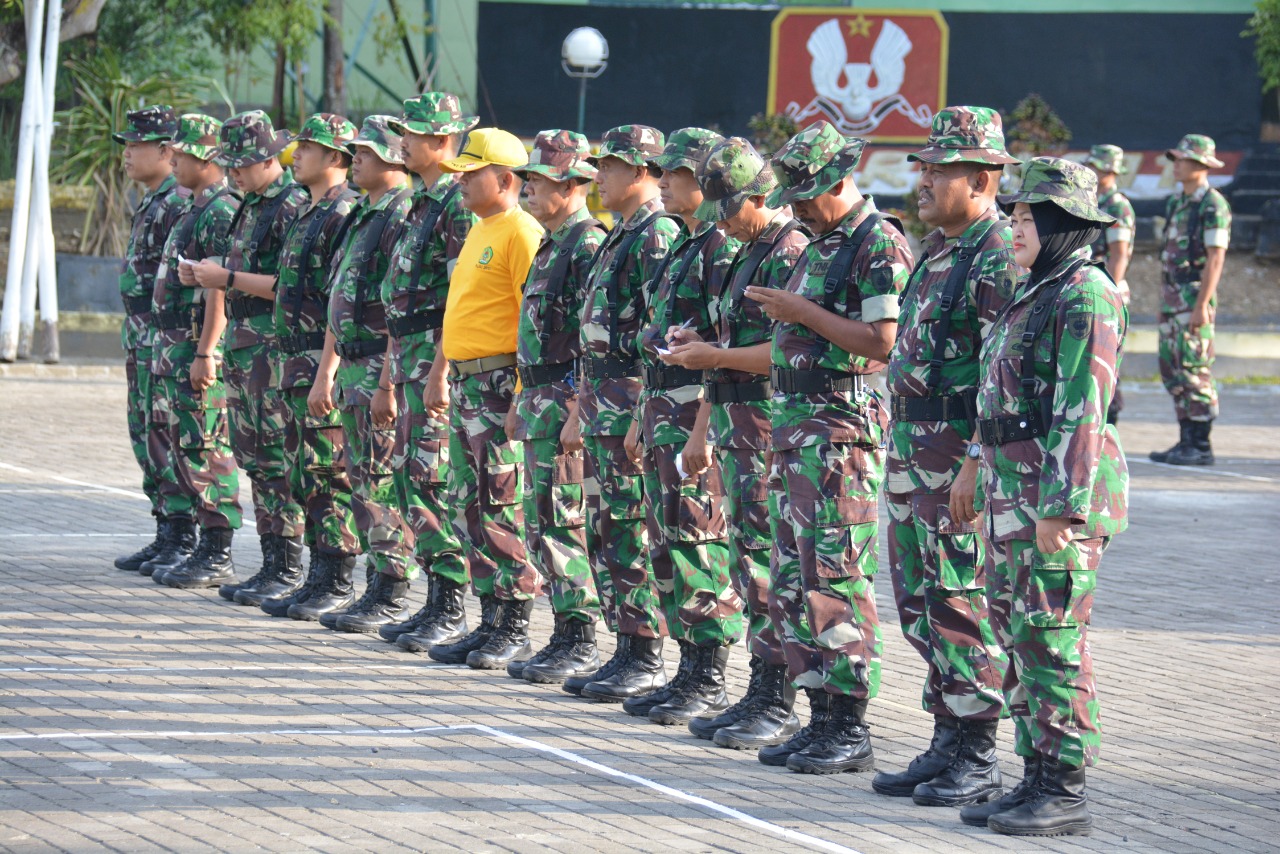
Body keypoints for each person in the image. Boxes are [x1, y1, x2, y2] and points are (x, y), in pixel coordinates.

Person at [961, 156, 1128, 837]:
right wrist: (978, 466)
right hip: (1013, 493)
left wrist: (1061, 510)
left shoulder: (1084, 294)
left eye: (1031, 217)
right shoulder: (1036, 289)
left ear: (1065, 224)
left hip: (1053, 501)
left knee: (1053, 639)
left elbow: (1081, 410)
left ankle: (1063, 786)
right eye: (1017, 216)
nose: (1016, 227)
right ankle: (1033, 773)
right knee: (1017, 634)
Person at [746, 120, 912, 775]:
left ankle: (849, 722)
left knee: (837, 579)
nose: (799, 208)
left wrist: (800, 312)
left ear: (842, 180)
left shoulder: (878, 243)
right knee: (793, 580)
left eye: (807, 195)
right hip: (796, 434)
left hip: (840, 436)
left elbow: (882, 342)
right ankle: (818, 713)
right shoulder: (819, 243)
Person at [871, 106, 1017, 807]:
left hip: (956, 456)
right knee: (920, 603)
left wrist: (976, 461)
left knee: (960, 601)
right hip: (912, 453)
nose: (922, 180)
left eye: (939, 170)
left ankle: (978, 752)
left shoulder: (996, 255)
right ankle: (946, 738)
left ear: (982, 179)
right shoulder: (938, 249)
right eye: (923, 167)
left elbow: (1001, 370)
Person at [667, 136, 810, 750]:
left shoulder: (788, 251)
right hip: (736, 425)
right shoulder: (750, 251)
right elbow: (732, 345)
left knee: (771, 565)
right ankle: (759, 687)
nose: (720, 222)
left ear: (759, 196)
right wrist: (701, 346)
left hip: (768, 427)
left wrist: (716, 355)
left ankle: (777, 697)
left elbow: (786, 352)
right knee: (746, 560)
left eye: (728, 209)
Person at [625, 128, 742, 726]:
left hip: (696, 412)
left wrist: (703, 429)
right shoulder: (686, 245)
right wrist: (641, 416)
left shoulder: (721, 247)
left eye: (678, 174)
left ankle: (710, 676)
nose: (664, 182)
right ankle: (687, 669)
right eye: (663, 172)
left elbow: (723, 347)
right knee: (667, 542)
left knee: (699, 540)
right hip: (661, 411)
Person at [425, 128, 547, 670]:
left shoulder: (521, 232)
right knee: (467, 503)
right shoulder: (480, 229)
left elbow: (531, 321)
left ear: (504, 180)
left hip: (499, 385)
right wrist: (441, 371)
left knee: (501, 502)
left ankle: (515, 624)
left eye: (470, 175)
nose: (461, 183)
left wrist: (521, 393)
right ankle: (490, 618)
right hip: (467, 383)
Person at [569, 126, 681, 703]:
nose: (598, 176)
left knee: (631, 528)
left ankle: (646, 652)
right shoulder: (621, 232)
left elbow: (659, 333)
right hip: (601, 403)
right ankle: (626, 645)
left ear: (641, 171)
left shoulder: (657, 234)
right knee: (606, 527)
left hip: (628, 402)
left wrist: (641, 413)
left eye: (609, 166)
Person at [299, 116, 415, 626]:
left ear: (392, 157)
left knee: (382, 480)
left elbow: (398, 309)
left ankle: (390, 588)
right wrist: (326, 371)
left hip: (376, 365)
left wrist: (387, 381)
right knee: (361, 479)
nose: (356, 159)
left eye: (366, 151)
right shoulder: (364, 215)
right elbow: (338, 301)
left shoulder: (401, 214)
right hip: (351, 366)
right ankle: (372, 583)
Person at [190, 111, 309, 602]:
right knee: (255, 457)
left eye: (241, 163)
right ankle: (271, 561)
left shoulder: (290, 206)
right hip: (244, 345)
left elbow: (289, 285)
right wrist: (212, 273)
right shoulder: (251, 204)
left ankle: (289, 565)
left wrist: (228, 279)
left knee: (278, 455)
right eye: (230, 164)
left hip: (271, 345)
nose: (234, 172)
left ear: (267, 159)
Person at [502, 129, 608, 684]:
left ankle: (581, 637)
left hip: (565, 402)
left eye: (539, 181)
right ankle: (564, 631)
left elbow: (594, 342)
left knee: (566, 522)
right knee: (542, 519)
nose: (528, 190)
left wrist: (578, 412)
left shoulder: (587, 246)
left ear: (570, 186)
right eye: (528, 180)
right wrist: (521, 397)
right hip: (540, 400)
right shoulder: (552, 244)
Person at [373, 93, 478, 649]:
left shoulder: (456, 205)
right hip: (408, 360)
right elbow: (400, 301)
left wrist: (440, 370)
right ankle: (435, 599)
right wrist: (390, 378)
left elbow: (459, 300)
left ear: (441, 140)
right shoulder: (422, 203)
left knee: (433, 477)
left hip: (434, 361)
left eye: (412, 134)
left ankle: (451, 604)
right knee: (411, 476)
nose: (403, 143)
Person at [254, 113, 362, 614]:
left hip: (320, 360)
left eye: (306, 148)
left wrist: (327, 371)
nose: (294, 155)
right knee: (303, 472)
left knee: (328, 472)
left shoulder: (343, 213)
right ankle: (318, 573)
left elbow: (340, 301)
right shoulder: (308, 211)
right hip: (293, 361)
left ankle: (337, 578)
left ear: (334, 157)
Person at [145, 113, 243, 588]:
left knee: (206, 446)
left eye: (181, 155)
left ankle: (217, 549)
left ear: (205, 159)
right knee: (183, 445)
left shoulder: (221, 210)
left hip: (193, 348)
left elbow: (219, 290)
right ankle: (194, 542)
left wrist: (207, 351)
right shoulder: (195, 206)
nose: (173, 162)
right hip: (174, 347)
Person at [111, 105, 188, 574]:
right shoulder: (154, 200)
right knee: (145, 433)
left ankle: (183, 534)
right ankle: (166, 531)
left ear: (165, 150)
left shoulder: (177, 201)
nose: (127, 153)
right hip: (143, 337)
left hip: (166, 339)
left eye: (135, 144)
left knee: (166, 432)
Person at [1151, 134, 1231, 466]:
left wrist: (1201, 305)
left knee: (1195, 369)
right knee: (1173, 369)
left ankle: (1200, 444)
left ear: (1201, 164)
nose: (1177, 165)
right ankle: (1185, 440)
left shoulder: (1212, 204)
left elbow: (1216, 258)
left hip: (1193, 297)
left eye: (1182, 159)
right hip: (1172, 298)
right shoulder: (1177, 202)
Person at [1085, 144, 1134, 425]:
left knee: (1106, 358)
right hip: (1093, 285)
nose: (1091, 170)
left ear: (1110, 170)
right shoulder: (1094, 201)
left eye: (1096, 166)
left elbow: (1119, 254)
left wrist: (1110, 294)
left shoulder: (1117, 205)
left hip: (1107, 288)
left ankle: (1109, 421)